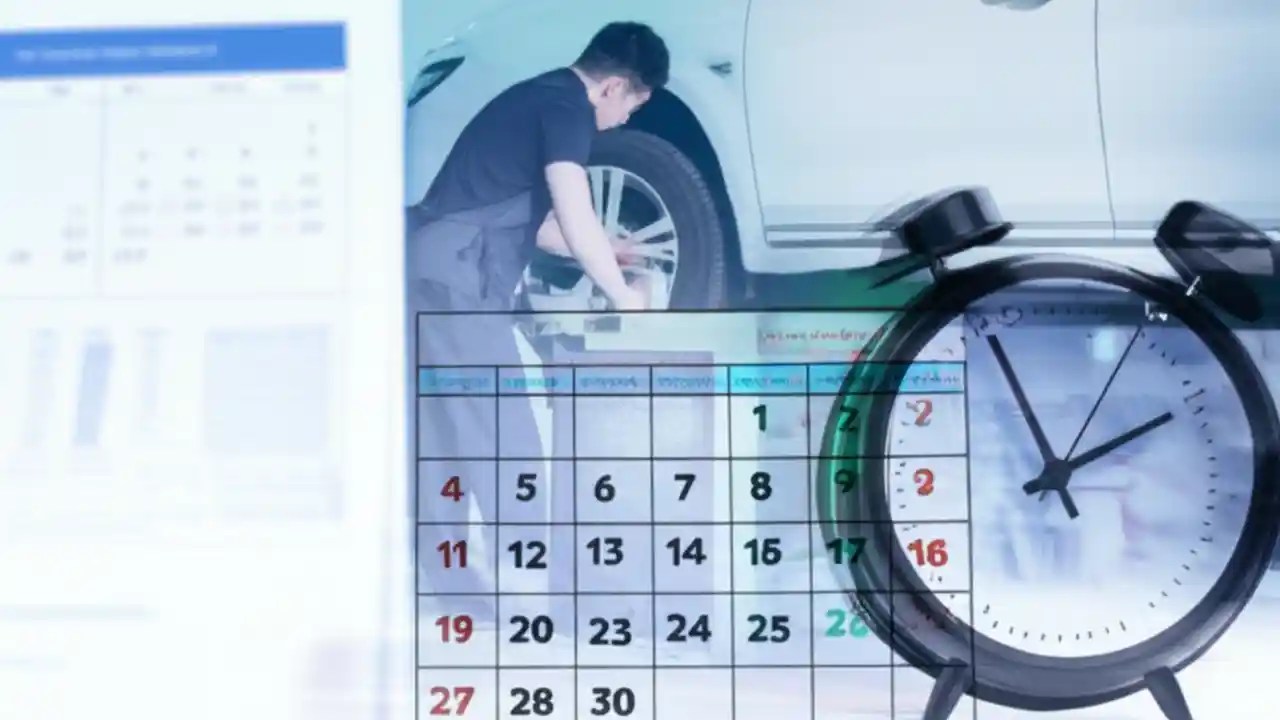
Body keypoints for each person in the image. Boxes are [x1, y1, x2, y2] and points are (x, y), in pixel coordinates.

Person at [406, 22, 670, 619]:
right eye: (634, 104)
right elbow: (572, 206)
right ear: (614, 87)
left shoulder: (535, 96)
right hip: (458, 285)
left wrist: (608, 249)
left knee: (446, 443)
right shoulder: (566, 108)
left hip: (432, 274)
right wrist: (624, 298)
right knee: (508, 443)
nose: (627, 119)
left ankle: (454, 593)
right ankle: (534, 599)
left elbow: (541, 225)